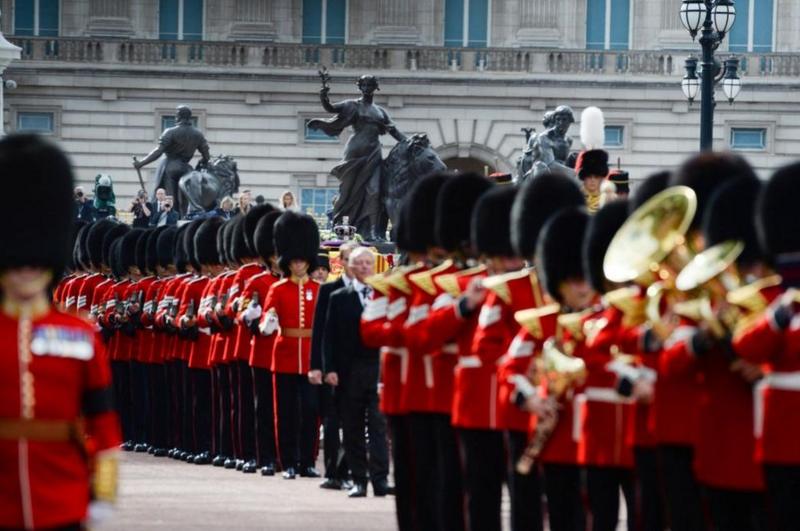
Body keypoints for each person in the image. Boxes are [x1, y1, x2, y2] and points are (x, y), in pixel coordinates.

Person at [0, 133, 121, 530]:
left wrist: (103, 493)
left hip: (62, 498)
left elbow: (102, 423)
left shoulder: (80, 335)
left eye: (34, 262)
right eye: (16, 262)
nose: (26, 269)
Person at [324, 247, 392, 498]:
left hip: (377, 369)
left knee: (378, 427)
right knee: (352, 428)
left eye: (368, 263)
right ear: (350, 268)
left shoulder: (385, 295)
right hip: (349, 371)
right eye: (359, 264)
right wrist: (329, 368)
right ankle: (359, 480)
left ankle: (380, 479)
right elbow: (328, 337)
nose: (364, 267)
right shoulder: (339, 297)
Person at [259, 211, 321, 479]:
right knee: (284, 413)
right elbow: (268, 315)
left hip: (310, 357)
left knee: (310, 412)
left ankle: (307, 461)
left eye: (302, 261)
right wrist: (268, 320)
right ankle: (288, 462)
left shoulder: (319, 290)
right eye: (294, 261)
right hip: (284, 354)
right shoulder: (278, 289)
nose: (298, 266)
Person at [308, 74, 407, 240]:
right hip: (355, 152)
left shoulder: (380, 112)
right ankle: (340, 224)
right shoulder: (352, 105)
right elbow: (331, 108)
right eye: (364, 85)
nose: (367, 88)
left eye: (370, 85)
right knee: (347, 191)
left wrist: (411, 142)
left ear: (376, 87)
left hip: (373, 153)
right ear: (360, 87)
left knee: (375, 191)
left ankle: (374, 232)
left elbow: (395, 132)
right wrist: (323, 95)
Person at [310, 241, 359, 490]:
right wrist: (317, 366)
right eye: (349, 259)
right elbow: (320, 332)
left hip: (360, 366)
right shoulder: (328, 290)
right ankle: (332, 471)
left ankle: (348, 470)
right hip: (333, 365)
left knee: (354, 422)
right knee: (331, 421)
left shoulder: (370, 289)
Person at [133, 105, 210, 217]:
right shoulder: (198, 134)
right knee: (184, 200)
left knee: (170, 198)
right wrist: (203, 161)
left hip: (170, 166)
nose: (175, 117)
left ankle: (171, 222)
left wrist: (141, 163)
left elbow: (158, 151)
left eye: (176, 114)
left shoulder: (170, 131)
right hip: (187, 169)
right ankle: (183, 219)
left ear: (179, 116)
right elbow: (206, 155)